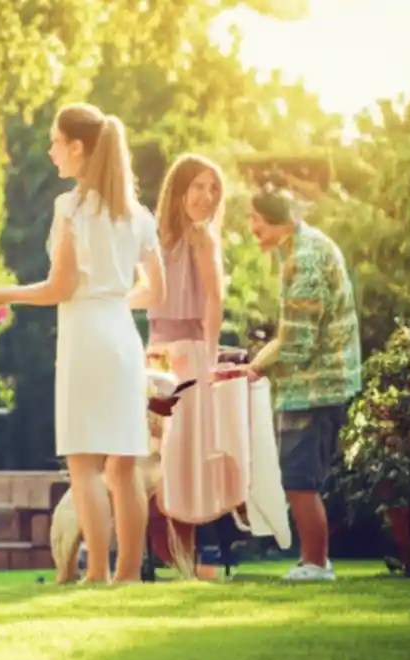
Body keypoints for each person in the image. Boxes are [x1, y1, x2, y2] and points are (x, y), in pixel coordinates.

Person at [0, 102, 165, 584]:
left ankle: (97, 574)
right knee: (124, 466)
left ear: (77, 147)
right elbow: (157, 290)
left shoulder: (70, 208)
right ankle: (128, 576)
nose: (51, 152)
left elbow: (60, 288)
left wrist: (1, 293)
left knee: (85, 464)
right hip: (122, 337)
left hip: (87, 339)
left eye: (55, 142)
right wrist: (112, 299)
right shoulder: (138, 215)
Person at [245, 187, 362, 581]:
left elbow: (297, 340)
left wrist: (256, 367)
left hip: (313, 388)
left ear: (276, 218)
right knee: (300, 478)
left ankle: (315, 563)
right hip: (316, 384)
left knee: (299, 479)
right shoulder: (301, 249)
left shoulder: (305, 257)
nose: (251, 227)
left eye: (255, 218)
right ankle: (313, 561)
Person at [143, 153, 239, 580]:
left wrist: (210, 356)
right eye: (198, 186)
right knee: (155, 451)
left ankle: (195, 554)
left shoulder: (203, 238)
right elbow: (146, 291)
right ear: (178, 190)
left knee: (184, 453)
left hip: (190, 352)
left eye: (213, 188)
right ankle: (161, 552)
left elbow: (215, 299)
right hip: (157, 351)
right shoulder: (157, 237)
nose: (207, 196)